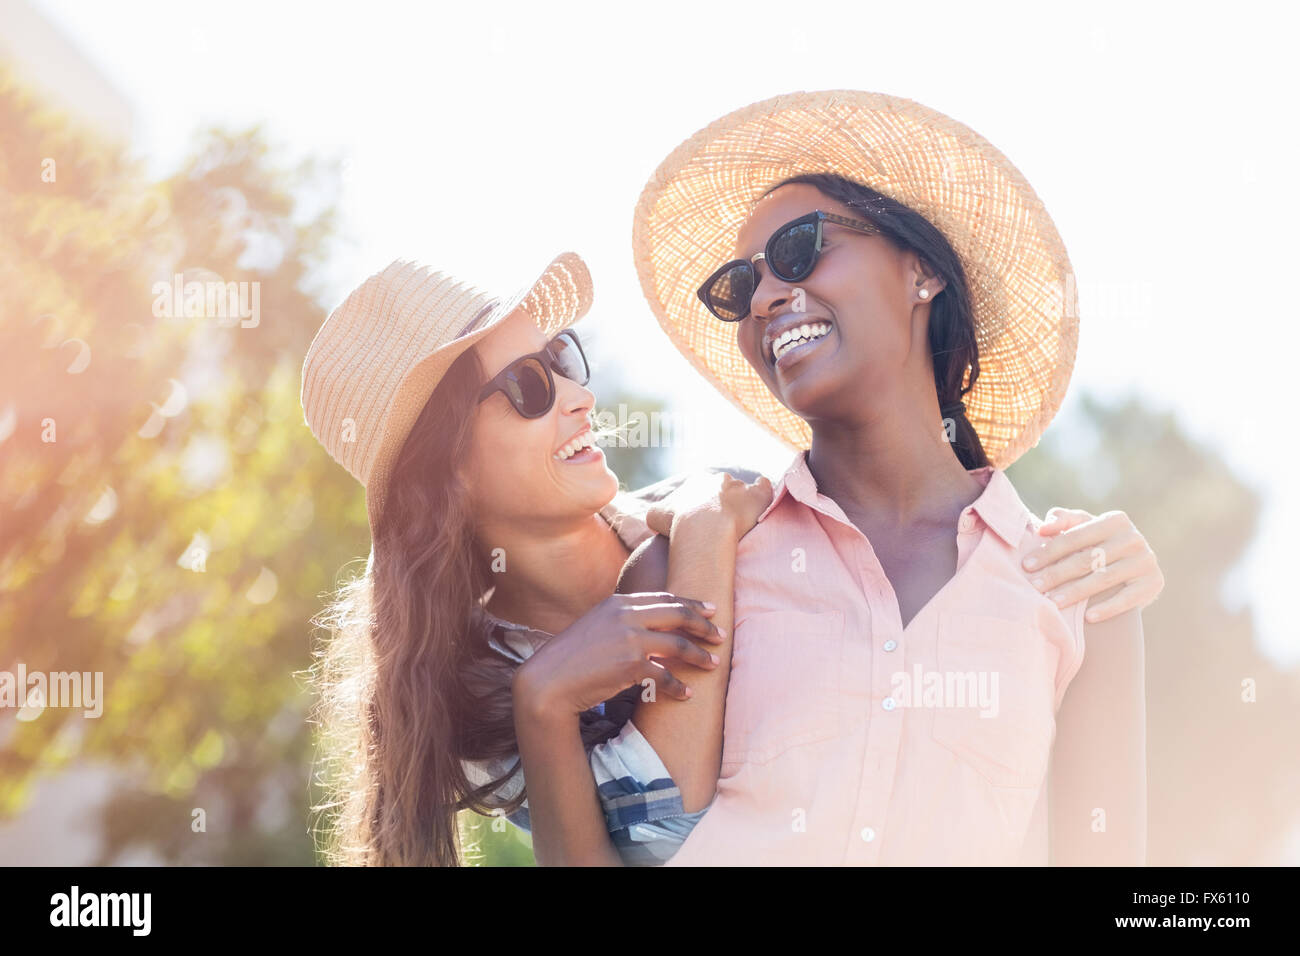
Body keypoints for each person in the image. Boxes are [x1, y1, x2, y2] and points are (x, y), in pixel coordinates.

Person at [303, 246, 1161, 866]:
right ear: (446, 477)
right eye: (526, 388)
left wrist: (1111, 571)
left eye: (561, 359)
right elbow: (665, 829)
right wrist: (544, 700)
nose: (575, 395)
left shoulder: (743, 526)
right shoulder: (473, 686)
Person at [615, 89, 1156, 864]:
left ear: (921, 273)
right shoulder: (701, 561)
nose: (765, 296)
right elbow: (634, 842)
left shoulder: (1075, 590)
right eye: (741, 287)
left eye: (800, 250)